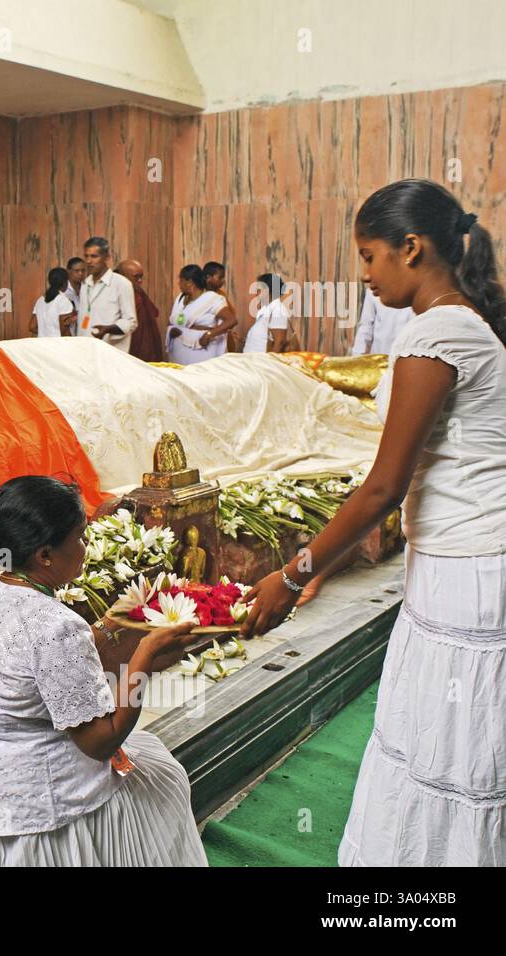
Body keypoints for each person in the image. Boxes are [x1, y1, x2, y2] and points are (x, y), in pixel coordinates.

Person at [240, 179, 506, 867]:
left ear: (410, 248)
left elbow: (384, 486)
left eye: (368, 256)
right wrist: (321, 568)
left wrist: (293, 573)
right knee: (446, 738)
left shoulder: (437, 332)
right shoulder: (463, 321)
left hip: (468, 573)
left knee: (453, 747)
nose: (363, 274)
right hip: (462, 561)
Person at [0, 475, 206, 866]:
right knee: (163, 782)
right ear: (45, 555)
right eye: (80, 537)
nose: (86, 546)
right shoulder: (55, 627)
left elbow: (45, 665)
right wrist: (146, 654)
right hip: (41, 812)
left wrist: (112, 622)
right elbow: (102, 743)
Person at [165, 264, 238, 364]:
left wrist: (209, 334)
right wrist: (172, 330)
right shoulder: (180, 298)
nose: (179, 283)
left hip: (201, 355)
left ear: (190, 282)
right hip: (179, 355)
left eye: (181, 280)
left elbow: (231, 320)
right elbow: (172, 321)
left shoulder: (211, 299)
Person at [77, 237, 137, 352]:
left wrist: (108, 329)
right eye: (86, 256)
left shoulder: (121, 283)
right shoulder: (85, 284)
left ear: (107, 258)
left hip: (110, 350)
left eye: (94, 256)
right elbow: (84, 318)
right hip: (85, 349)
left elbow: (131, 321)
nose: (88, 261)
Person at [117, 259, 164, 362]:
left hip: (146, 345)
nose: (140, 281)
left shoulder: (139, 293)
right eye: (136, 277)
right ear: (123, 277)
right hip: (128, 346)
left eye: (141, 276)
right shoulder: (115, 293)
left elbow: (153, 312)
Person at [352, 286, 415, 355]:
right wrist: (358, 354)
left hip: (407, 355)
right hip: (379, 355)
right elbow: (366, 325)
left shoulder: (414, 289)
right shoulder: (374, 290)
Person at [243, 273, 292, 354]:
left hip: (262, 360)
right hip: (253, 359)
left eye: (259, 290)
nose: (256, 294)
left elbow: (279, 343)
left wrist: (268, 361)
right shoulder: (267, 309)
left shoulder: (278, 310)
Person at [30, 268, 76, 338]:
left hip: (42, 343)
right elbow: (64, 331)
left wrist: (47, 333)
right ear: (65, 282)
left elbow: (32, 326)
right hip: (57, 344)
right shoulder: (63, 301)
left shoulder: (40, 300)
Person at [64, 257, 87, 329]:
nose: (81, 273)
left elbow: (89, 314)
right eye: (77, 271)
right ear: (68, 271)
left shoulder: (88, 288)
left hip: (84, 332)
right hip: (67, 333)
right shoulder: (63, 291)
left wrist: (84, 327)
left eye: (83, 270)